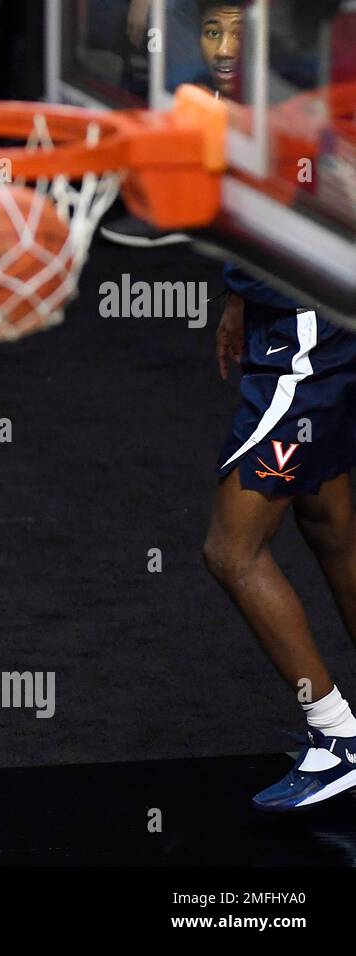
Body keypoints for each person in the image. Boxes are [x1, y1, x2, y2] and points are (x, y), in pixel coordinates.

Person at [207, 265, 356, 810]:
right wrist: (242, 296)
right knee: (327, 520)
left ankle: (339, 738)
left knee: (232, 551)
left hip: (307, 343)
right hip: (314, 317)